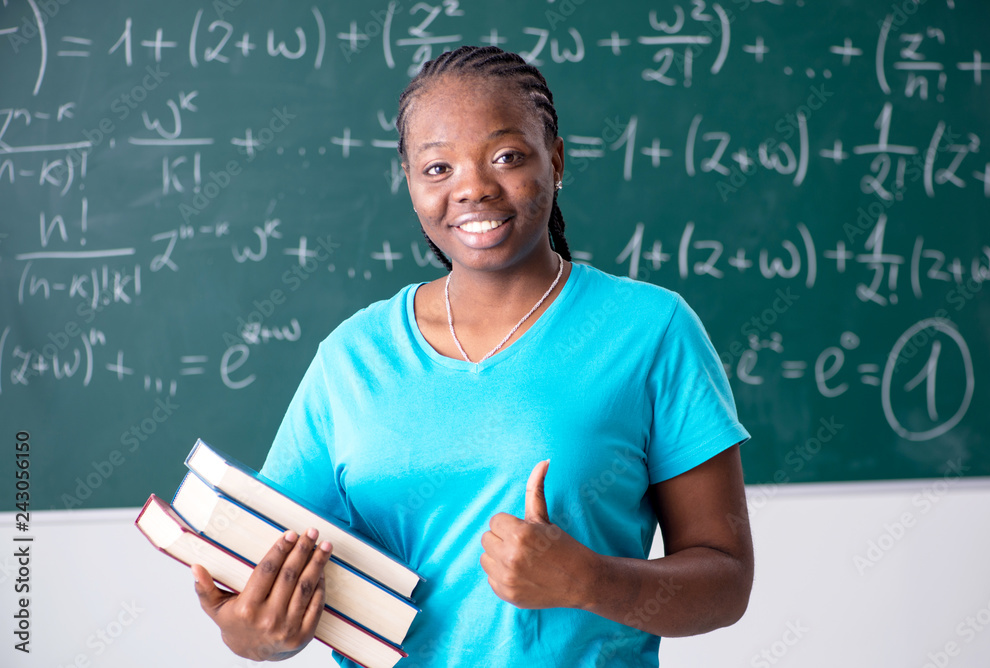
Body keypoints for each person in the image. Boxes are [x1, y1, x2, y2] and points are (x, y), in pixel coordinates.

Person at [192, 45, 753, 667]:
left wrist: (589, 580)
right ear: (409, 183)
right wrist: (252, 635)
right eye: (437, 169)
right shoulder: (352, 358)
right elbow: (266, 565)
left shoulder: (650, 330)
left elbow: (726, 583)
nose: (474, 189)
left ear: (557, 161)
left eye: (507, 157)